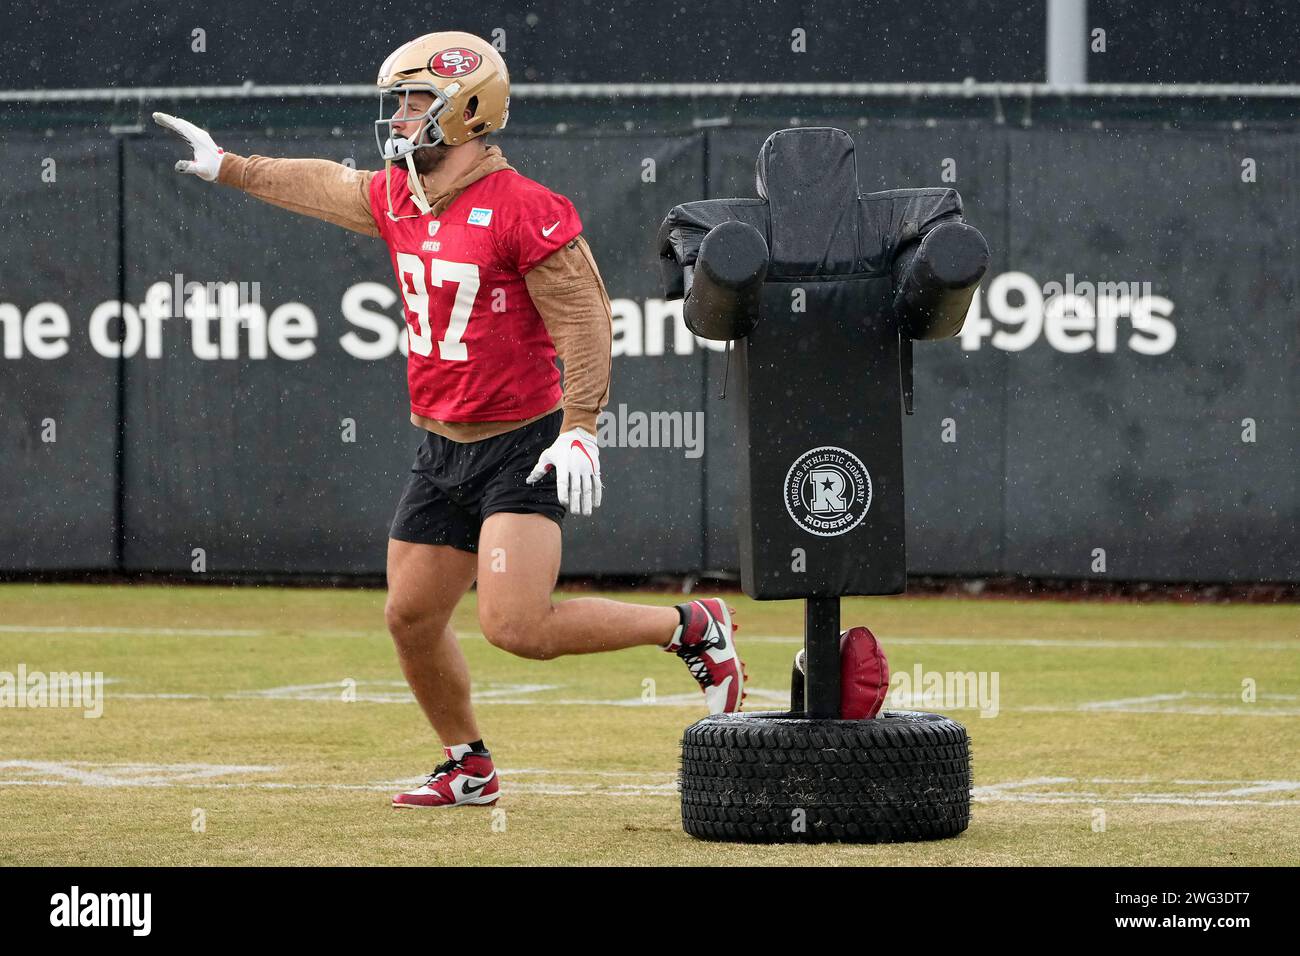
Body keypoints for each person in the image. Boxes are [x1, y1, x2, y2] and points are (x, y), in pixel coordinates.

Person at [154, 30, 744, 809]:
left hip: (519, 446)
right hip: (440, 446)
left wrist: (581, 425)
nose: (399, 117)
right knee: (410, 615)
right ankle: (467, 764)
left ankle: (690, 627)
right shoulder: (401, 195)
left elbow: (585, 321)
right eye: (397, 101)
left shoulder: (525, 208)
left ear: (466, 111)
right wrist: (230, 167)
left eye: (415, 101)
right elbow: (326, 184)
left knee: (517, 625)